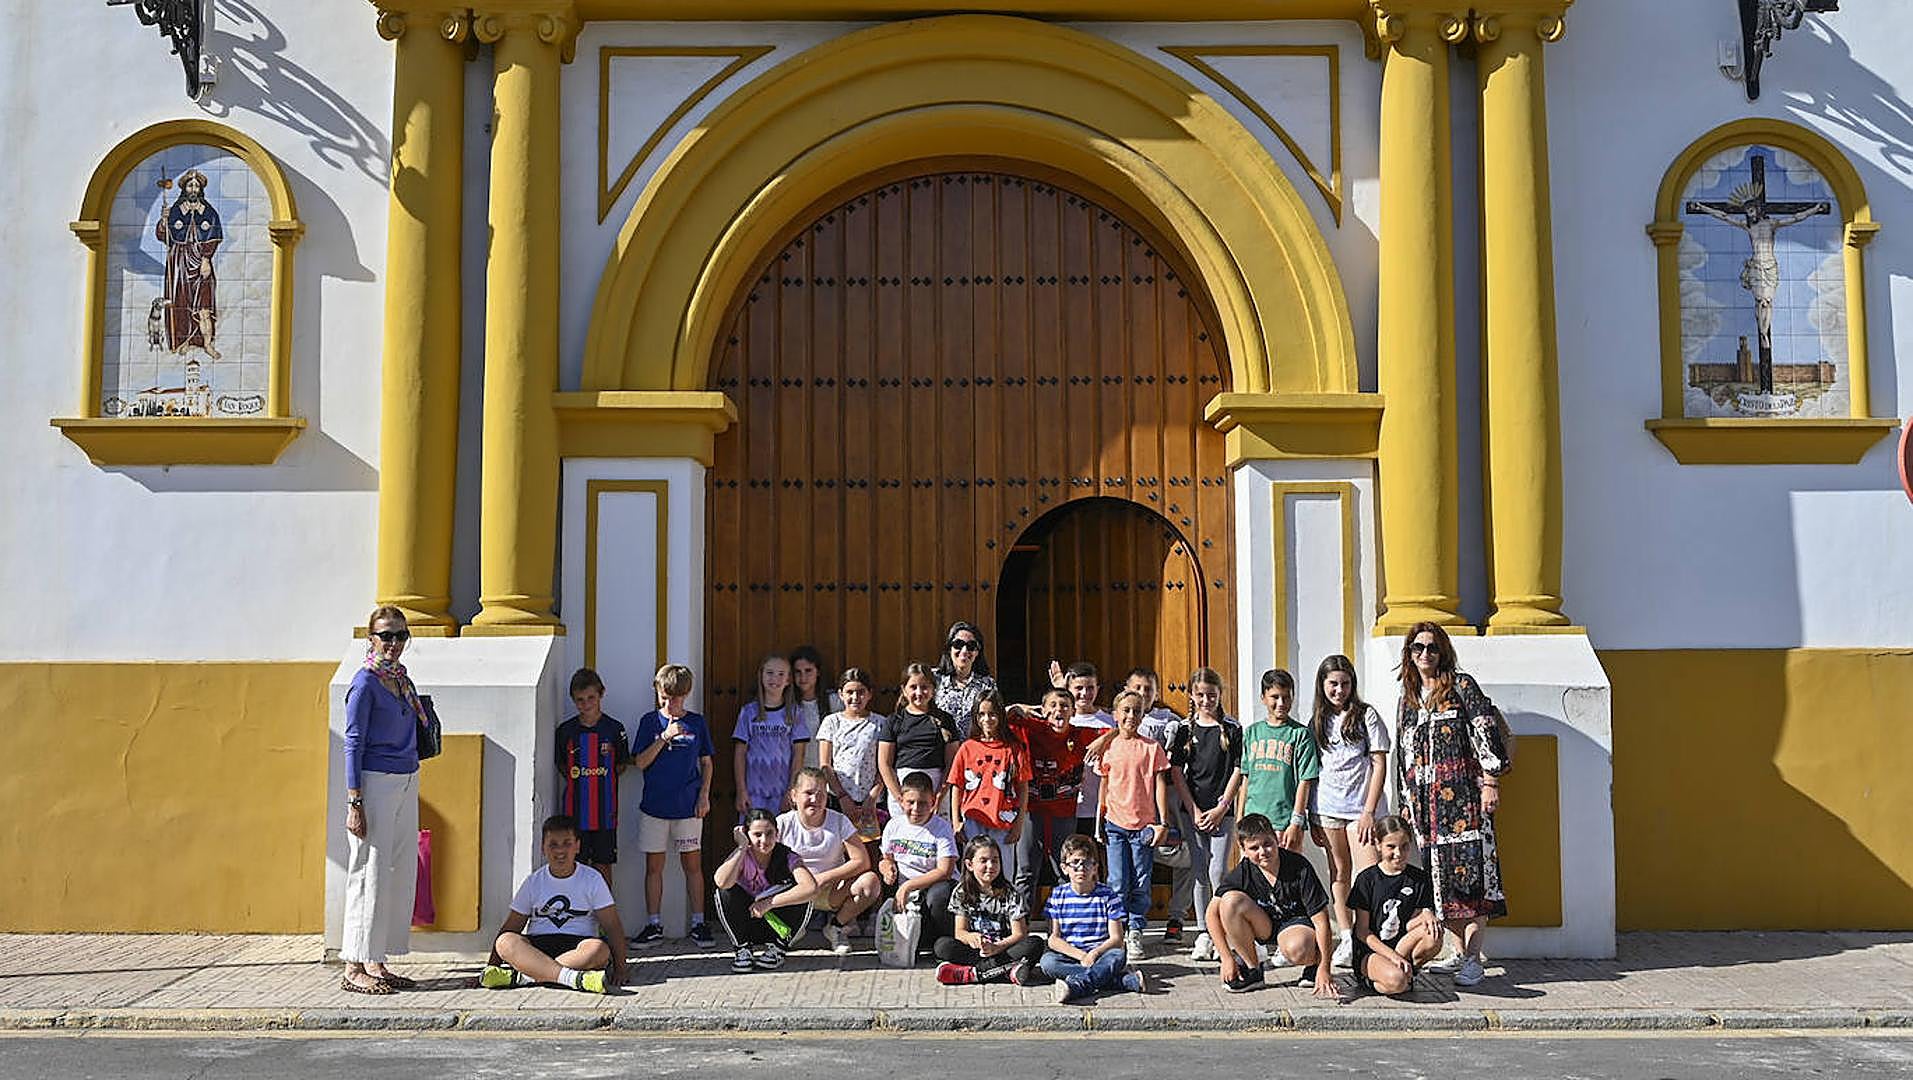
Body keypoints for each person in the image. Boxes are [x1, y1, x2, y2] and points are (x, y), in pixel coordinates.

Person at [1396, 622, 1511, 988]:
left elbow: (1485, 731)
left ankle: (1474, 959)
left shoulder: (1462, 687)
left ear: (1442, 652)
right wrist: (1405, 801)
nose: (1425, 654)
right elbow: (1403, 755)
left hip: (1465, 804)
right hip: (1427, 811)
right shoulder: (1409, 698)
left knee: (1473, 881)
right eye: (1418, 648)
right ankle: (1459, 952)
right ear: (1409, 654)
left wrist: (1491, 781)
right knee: (1444, 885)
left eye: (1432, 647)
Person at [340, 605, 424, 995]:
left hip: (406, 778)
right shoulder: (365, 683)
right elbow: (352, 742)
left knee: (396, 871)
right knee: (368, 870)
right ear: (371, 638)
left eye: (401, 635)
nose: (394, 643)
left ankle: (376, 959)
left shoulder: (401, 681)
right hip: (375, 782)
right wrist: (355, 802)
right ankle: (353, 965)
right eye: (386, 635)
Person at [479, 815, 626, 993]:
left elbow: (612, 925)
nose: (560, 850)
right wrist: (490, 968)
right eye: (553, 844)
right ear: (543, 848)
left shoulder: (592, 879)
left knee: (599, 950)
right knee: (505, 942)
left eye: (567, 843)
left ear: (577, 846)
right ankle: (571, 978)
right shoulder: (533, 882)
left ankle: (525, 977)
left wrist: (621, 969)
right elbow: (511, 926)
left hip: (578, 945)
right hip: (537, 946)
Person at [1308, 654, 1390, 969]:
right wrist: (1311, 815)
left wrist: (1369, 811)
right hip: (1328, 808)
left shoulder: (1366, 716)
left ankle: (1368, 935)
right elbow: (1313, 770)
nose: (1339, 690)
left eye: (1345, 684)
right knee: (1339, 873)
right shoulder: (1317, 720)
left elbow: (1379, 763)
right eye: (1333, 684)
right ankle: (1346, 936)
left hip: (1361, 811)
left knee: (1368, 874)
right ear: (1322, 685)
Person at [628, 663, 716, 949]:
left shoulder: (697, 723)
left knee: (692, 865)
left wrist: (704, 795)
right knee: (654, 867)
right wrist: (664, 737)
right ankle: (653, 924)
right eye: (664, 697)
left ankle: (698, 922)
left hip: (688, 806)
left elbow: (707, 763)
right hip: (655, 806)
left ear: (686, 694)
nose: (669, 703)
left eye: (675, 698)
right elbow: (640, 762)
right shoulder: (649, 722)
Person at [1206, 813, 1336, 998]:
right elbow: (1211, 914)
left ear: (1276, 839)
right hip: (1265, 925)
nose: (1262, 852)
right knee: (1229, 901)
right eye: (1254, 848)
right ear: (1243, 849)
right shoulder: (1244, 870)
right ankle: (1252, 968)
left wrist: (1325, 968)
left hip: (1297, 925)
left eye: (1267, 844)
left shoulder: (1299, 866)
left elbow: (1322, 921)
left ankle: (1314, 964)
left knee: (1297, 948)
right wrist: (1226, 957)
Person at [1170, 667, 1242, 962]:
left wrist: (1222, 807)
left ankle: (1220, 928)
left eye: (1211, 695)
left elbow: (1238, 769)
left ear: (1219, 694)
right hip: (1194, 811)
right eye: (1200, 695)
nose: (1206, 700)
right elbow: (1177, 772)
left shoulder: (1232, 729)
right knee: (1200, 870)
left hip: (1222, 812)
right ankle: (1203, 931)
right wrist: (1194, 809)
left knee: (1218, 871)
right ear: (1192, 695)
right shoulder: (1184, 730)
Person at [1094, 690, 1171, 960]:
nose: (1131, 716)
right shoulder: (1108, 747)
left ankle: (1136, 928)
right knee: (1116, 880)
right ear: (1115, 714)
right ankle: (1117, 929)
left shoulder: (1151, 748)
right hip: (1115, 823)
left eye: (1136, 711)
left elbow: (1160, 785)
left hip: (1143, 826)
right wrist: (1100, 820)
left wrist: (1162, 822)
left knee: (1141, 880)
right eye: (1125, 710)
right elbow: (1104, 786)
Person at [777, 768, 882, 955]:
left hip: (831, 891)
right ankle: (790, 927)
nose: (815, 799)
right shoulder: (782, 823)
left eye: (821, 794)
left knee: (870, 882)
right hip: (794, 891)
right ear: (793, 795)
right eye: (808, 793)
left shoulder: (839, 821)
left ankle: (836, 927)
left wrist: (824, 878)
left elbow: (861, 861)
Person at [1006, 686, 1087, 908]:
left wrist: (1100, 741)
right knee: (1025, 871)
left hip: (1064, 812)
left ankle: (1067, 919)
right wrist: (1017, 707)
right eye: (1053, 705)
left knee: (1065, 869)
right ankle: (1021, 922)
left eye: (1064, 706)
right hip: (1031, 811)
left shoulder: (1080, 734)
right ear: (1043, 710)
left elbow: (1115, 731)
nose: (1058, 710)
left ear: (1073, 712)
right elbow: (1000, 717)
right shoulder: (1032, 728)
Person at [1042, 834, 1146, 1003]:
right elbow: (1053, 939)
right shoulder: (1057, 896)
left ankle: (1077, 986)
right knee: (1048, 962)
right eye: (1075, 863)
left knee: (1117, 956)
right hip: (1072, 955)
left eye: (1086, 863)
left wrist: (1094, 954)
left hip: (1101, 954)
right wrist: (1082, 956)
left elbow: (1117, 938)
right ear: (1064, 868)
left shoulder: (1108, 896)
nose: (1081, 868)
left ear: (1095, 867)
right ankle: (1119, 981)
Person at [944, 694, 1031, 894]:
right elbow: (956, 785)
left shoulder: (1013, 748)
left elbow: (1023, 788)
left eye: (992, 714)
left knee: (1003, 871)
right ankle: (974, 909)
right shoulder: (967, 747)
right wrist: (956, 821)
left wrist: (1019, 824)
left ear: (1000, 715)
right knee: (975, 870)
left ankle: (1003, 909)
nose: (987, 719)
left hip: (1003, 821)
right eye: (981, 714)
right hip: (973, 819)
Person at [713, 809, 819, 972]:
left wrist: (769, 903)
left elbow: (811, 887)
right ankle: (742, 948)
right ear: (747, 834)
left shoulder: (787, 856)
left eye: (769, 833)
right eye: (757, 835)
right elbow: (721, 882)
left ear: (777, 834)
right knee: (724, 893)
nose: (764, 840)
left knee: (804, 895)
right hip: (748, 921)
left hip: (775, 924)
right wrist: (741, 847)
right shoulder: (743, 855)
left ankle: (779, 948)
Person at [1348, 815, 1441, 997]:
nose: (1398, 853)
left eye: (1404, 846)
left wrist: (1427, 913)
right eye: (1391, 846)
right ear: (1378, 845)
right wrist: (1392, 956)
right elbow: (1362, 931)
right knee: (1397, 982)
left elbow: (1412, 924)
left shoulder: (1419, 879)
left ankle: (1406, 971)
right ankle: (1379, 978)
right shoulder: (1366, 880)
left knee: (1433, 932)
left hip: (1401, 946)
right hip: (1372, 951)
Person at [933, 835, 1046, 985]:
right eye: (983, 861)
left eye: (995, 860)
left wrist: (997, 947)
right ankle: (1005, 972)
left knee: (1035, 944)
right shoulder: (962, 892)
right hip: (976, 951)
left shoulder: (1010, 893)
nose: (990, 866)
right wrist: (971, 937)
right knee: (942, 946)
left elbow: (1020, 934)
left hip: (1004, 949)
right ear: (969, 864)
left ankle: (972, 974)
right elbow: (960, 932)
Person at [554, 668, 629, 891]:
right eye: (580, 700)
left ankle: (603, 913)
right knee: (574, 865)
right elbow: (561, 766)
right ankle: (576, 910)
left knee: (603, 865)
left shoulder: (614, 729)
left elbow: (621, 765)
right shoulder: (565, 731)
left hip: (605, 813)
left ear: (601, 694)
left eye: (591, 698)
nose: (586, 704)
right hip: (575, 814)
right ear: (573, 700)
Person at [877, 771, 960, 954]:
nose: (916, 808)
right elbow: (886, 857)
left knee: (939, 895)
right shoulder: (894, 825)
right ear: (901, 801)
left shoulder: (941, 827)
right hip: (906, 892)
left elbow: (945, 871)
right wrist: (887, 868)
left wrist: (909, 886)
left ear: (933, 801)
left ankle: (945, 941)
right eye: (910, 802)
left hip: (934, 887)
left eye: (922, 803)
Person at [1239, 669, 1319, 852]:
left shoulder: (1300, 734)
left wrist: (1296, 822)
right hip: (1253, 821)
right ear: (1263, 697)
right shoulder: (1252, 733)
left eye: (1286, 697)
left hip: (1284, 822)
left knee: (1287, 868)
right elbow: (1246, 779)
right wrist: (1239, 819)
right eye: (1275, 697)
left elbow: (1305, 781)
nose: (1281, 703)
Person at [876, 663, 959, 819]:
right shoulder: (894, 721)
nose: (919, 692)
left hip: (936, 788)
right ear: (904, 690)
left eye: (924, 687)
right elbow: (884, 763)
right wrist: (899, 797)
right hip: (903, 788)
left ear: (933, 689)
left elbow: (952, 763)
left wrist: (939, 795)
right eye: (913, 687)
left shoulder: (945, 720)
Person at [154, 168, 222, 356]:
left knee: (204, 306)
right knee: (180, 302)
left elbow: (214, 236)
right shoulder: (175, 210)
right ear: (185, 189)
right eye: (190, 186)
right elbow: (164, 236)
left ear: (201, 189)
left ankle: (207, 343)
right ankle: (183, 341)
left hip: (200, 260)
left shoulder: (209, 212)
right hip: (179, 262)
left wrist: (206, 259)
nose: (193, 189)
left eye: (196, 186)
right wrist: (164, 221)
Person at [733, 653, 808, 815]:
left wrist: (792, 790)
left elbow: (799, 755)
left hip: (782, 793)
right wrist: (741, 790)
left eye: (781, 674)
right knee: (754, 830)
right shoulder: (748, 712)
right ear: (761, 676)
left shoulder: (795, 713)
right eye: (769, 673)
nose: (775, 678)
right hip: (753, 793)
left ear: (788, 680)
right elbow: (740, 753)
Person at [817, 667, 885, 844]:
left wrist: (872, 797)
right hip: (838, 799)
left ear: (869, 694)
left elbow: (885, 764)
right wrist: (842, 797)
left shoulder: (880, 723)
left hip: (870, 801)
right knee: (838, 846)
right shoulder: (832, 722)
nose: (855, 697)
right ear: (841, 694)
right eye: (849, 692)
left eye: (861, 692)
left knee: (869, 846)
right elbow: (825, 764)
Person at [933, 620, 999, 739]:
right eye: (958, 644)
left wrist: (1013, 709)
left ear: (977, 652)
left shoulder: (987, 684)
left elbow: (994, 715)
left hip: (973, 747)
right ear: (949, 648)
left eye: (971, 646)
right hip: (939, 746)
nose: (964, 651)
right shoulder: (934, 679)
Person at [789, 644, 835, 770]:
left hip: (826, 773)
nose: (803, 677)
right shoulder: (788, 704)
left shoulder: (834, 701)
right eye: (798, 672)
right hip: (796, 772)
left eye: (808, 671)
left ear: (818, 672)